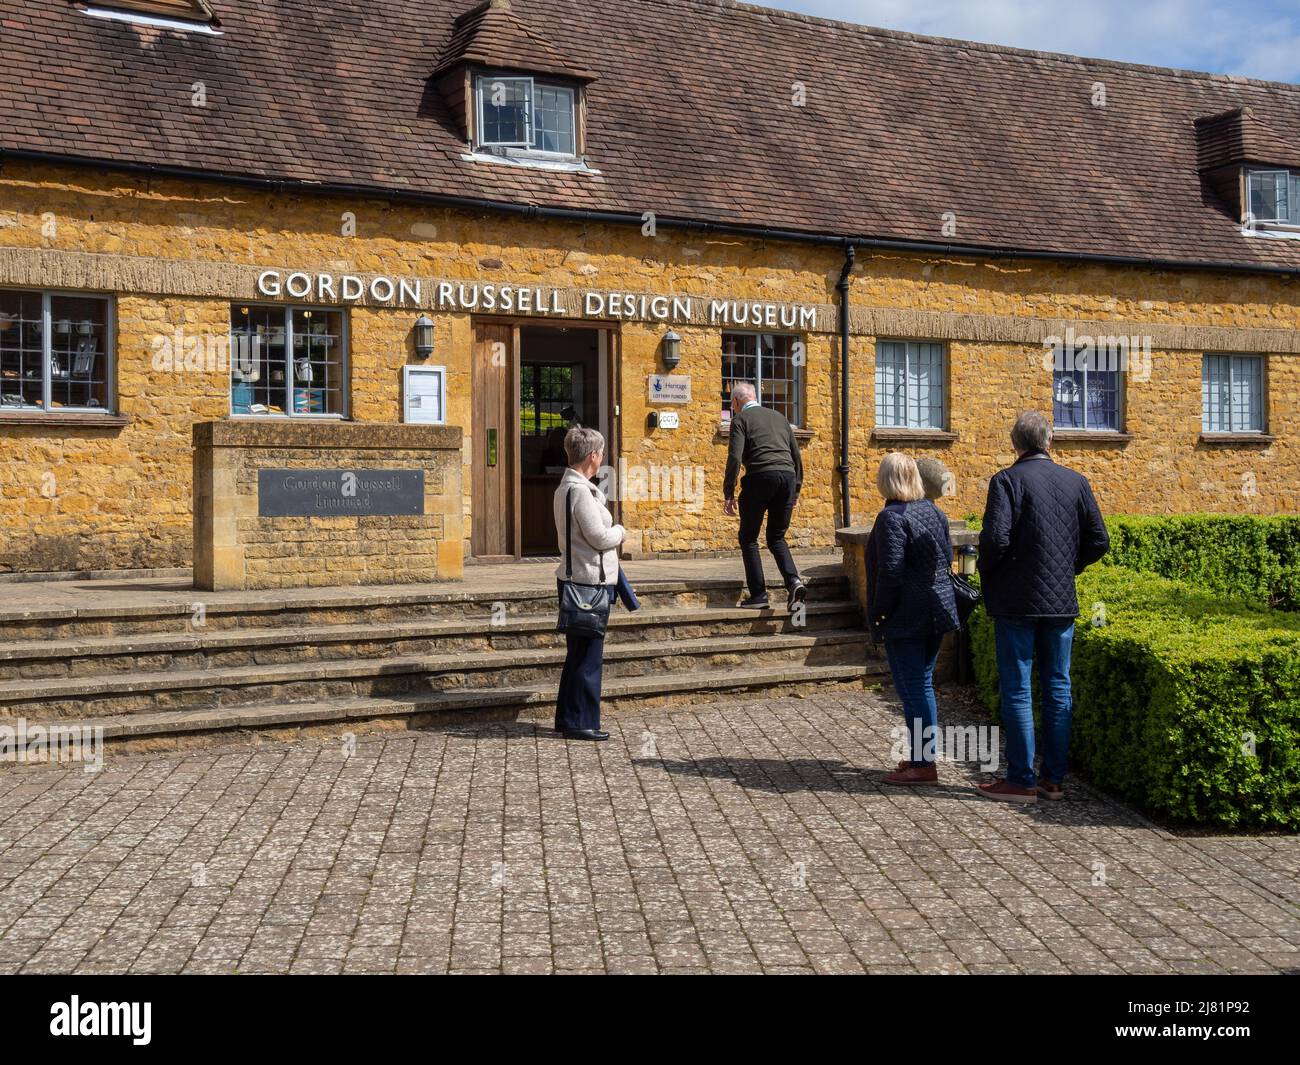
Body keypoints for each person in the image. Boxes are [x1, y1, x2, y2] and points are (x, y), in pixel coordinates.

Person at [976, 411, 1110, 803]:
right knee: (1058, 687)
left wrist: (985, 568)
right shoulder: (1077, 482)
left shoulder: (1006, 481)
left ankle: (1020, 780)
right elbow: (1099, 540)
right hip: (1060, 603)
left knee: (1018, 689)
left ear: (1015, 444)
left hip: (1016, 602)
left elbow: (996, 540)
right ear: (1049, 443)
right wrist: (1069, 567)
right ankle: (1053, 780)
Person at [866, 453, 960, 785]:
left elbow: (890, 573)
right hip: (937, 608)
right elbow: (947, 556)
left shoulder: (891, 518)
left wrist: (878, 614)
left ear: (886, 480)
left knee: (912, 689)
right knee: (922, 686)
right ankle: (922, 757)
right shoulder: (934, 511)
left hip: (907, 614)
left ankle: (924, 764)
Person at [553, 425, 625, 741]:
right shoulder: (580, 491)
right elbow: (597, 537)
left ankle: (569, 718)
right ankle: (582, 722)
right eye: (601, 454)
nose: (602, 459)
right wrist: (621, 532)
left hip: (579, 580)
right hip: (588, 583)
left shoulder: (567, 487)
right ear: (593, 456)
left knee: (577, 655)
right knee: (588, 658)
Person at [722, 382, 807, 610]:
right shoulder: (779, 417)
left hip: (760, 477)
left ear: (737, 402)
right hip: (787, 477)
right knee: (776, 537)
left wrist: (729, 493)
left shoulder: (739, 420)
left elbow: (735, 458)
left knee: (749, 538)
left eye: (733, 403)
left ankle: (759, 595)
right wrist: (796, 489)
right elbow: (796, 455)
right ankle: (793, 581)